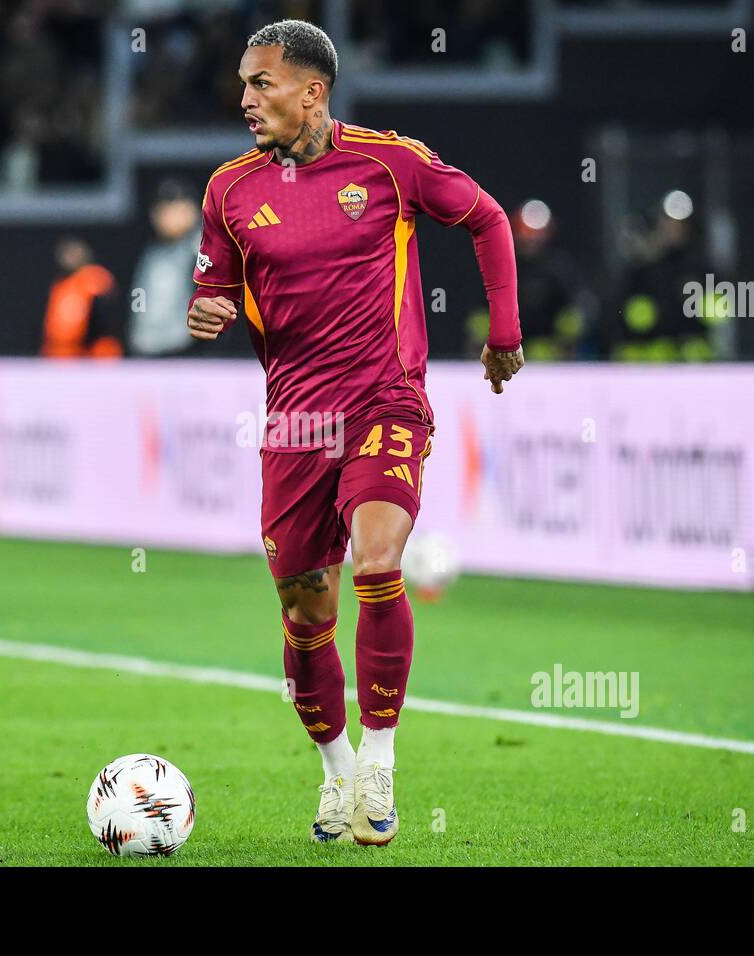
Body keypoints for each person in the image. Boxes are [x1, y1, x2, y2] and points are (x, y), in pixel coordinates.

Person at [186, 20, 524, 846]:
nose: (245, 100)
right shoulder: (228, 189)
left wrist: (504, 332)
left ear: (313, 90)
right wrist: (208, 310)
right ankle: (336, 772)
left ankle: (380, 758)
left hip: (386, 399)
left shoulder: (389, 162)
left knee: (379, 560)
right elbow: (215, 289)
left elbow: (488, 220)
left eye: (261, 84)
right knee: (306, 617)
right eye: (243, 84)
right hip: (294, 420)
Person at [128, 180, 204, 357]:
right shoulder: (149, 252)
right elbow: (138, 296)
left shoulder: (201, 247)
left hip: (187, 353)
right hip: (147, 349)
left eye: (176, 208)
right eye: (162, 209)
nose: (167, 216)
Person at [41, 237, 121, 358]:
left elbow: (106, 315)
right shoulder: (60, 284)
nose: (69, 258)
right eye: (66, 254)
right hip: (62, 352)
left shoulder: (94, 278)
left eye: (74, 253)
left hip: (92, 353)